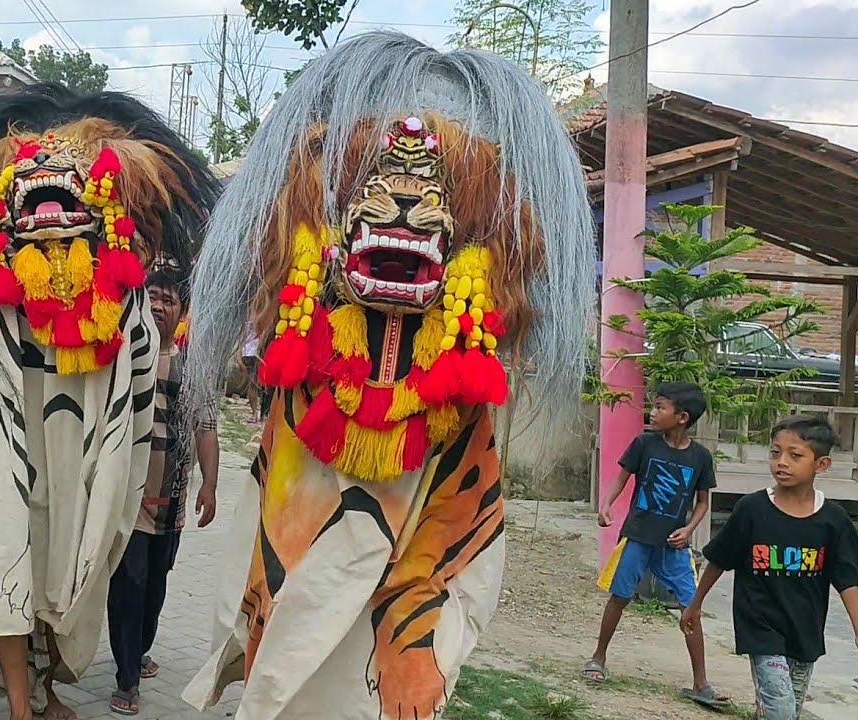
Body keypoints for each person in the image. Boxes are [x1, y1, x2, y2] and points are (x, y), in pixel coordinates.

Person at [179, 33, 596, 719]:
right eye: (373, 181)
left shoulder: (469, 336)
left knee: (408, 652)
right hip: (308, 459)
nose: (405, 200)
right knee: (282, 621)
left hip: (436, 458)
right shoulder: (306, 319)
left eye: (441, 185)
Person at [0, 81, 221, 720]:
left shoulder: (125, 302)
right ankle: (23, 704)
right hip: (10, 464)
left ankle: (46, 691)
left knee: (71, 574)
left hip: (86, 471)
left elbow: (134, 387)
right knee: (9, 565)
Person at [683, 415, 858, 720]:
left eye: (795, 455)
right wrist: (695, 604)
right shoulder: (752, 509)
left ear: (822, 464)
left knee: (786, 710)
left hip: (805, 631)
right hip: (760, 626)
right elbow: (720, 559)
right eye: (775, 452)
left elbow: (847, 577)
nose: (782, 462)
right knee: (781, 710)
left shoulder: (834, 520)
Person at [107, 271, 219, 715]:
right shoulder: (121, 355)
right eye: (150, 297)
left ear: (181, 312)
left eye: (167, 300)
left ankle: (137, 651)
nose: (157, 306)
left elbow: (205, 427)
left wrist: (210, 485)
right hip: (125, 500)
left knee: (155, 586)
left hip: (170, 501)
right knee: (128, 585)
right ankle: (126, 679)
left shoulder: (193, 366)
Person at [583, 382, 727, 706]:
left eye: (661, 407)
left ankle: (701, 683)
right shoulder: (644, 444)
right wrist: (606, 504)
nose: (653, 412)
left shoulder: (700, 457)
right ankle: (598, 658)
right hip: (637, 536)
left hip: (674, 545)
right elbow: (622, 477)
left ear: (682, 417)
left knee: (691, 607)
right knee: (619, 597)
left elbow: (703, 502)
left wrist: (689, 529)